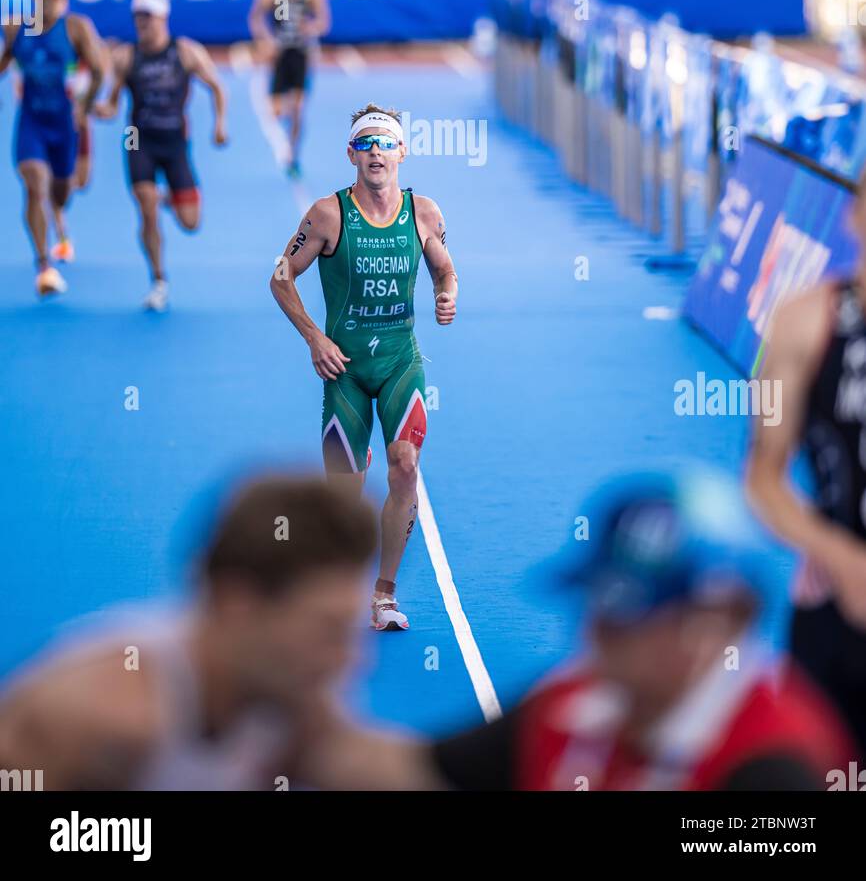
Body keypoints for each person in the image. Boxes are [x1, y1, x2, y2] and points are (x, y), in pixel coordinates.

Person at [0, 474, 442, 791]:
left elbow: (387, 769)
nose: (355, 660)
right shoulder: (96, 722)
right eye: (328, 631)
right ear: (238, 605)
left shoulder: (290, 701)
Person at [427, 466, 854, 790]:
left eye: (627, 613)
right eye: (593, 602)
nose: (596, 633)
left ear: (720, 621)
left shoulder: (775, 768)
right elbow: (415, 770)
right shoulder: (575, 700)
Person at [270, 104, 458, 630]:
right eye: (366, 143)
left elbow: (445, 270)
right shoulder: (327, 214)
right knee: (343, 494)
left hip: (400, 362)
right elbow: (281, 277)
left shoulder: (424, 213)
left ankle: (383, 595)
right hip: (345, 369)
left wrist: (448, 295)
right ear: (351, 153)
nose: (376, 152)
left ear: (403, 151)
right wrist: (315, 338)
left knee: (405, 465)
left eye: (385, 143)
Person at [746, 179, 866, 760]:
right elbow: (763, 477)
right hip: (837, 607)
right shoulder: (801, 323)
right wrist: (840, 558)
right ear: (856, 217)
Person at [95, 0, 228, 311]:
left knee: (191, 222)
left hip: (175, 142)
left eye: (148, 17)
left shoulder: (185, 52)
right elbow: (112, 101)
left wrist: (219, 125)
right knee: (146, 205)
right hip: (138, 138)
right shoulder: (126, 56)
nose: (142, 24)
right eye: (138, 18)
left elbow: (217, 87)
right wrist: (102, 109)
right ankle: (158, 280)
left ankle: (169, 198)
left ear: (163, 19)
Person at [0, 0, 104, 296]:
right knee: (34, 184)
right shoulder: (14, 28)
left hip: (65, 125)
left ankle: (60, 222)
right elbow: (4, 63)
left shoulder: (76, 29)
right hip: (31, 121)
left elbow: (101, 69)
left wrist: (85, 107)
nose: (46, 3)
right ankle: (43, 266)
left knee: (62, 191)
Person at [248, 0, 330, 177]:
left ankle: (294, 155)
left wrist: (311, 28)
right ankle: (286, 119)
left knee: (298, 109)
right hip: (279, 55)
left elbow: (323, 21)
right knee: (275, 111)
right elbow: (255, 18)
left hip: (301, 54)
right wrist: (265, 40)